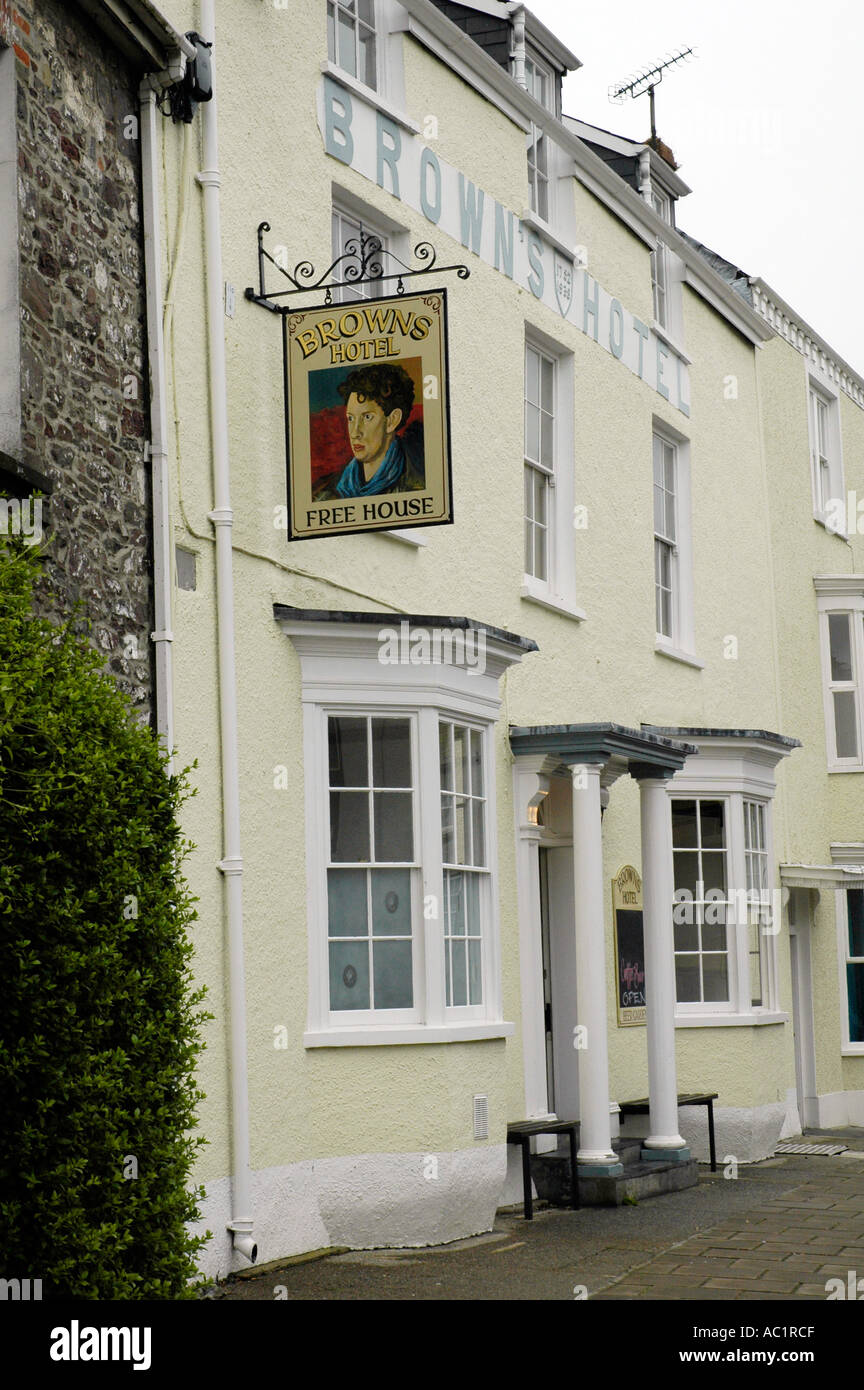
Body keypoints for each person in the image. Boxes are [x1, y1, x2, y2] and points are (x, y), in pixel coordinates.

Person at [313, 363, 425, 501]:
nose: (355, 433)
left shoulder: (419, 484)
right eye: (351, 418)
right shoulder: (325, 492)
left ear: (392, 421)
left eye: (367, 417)